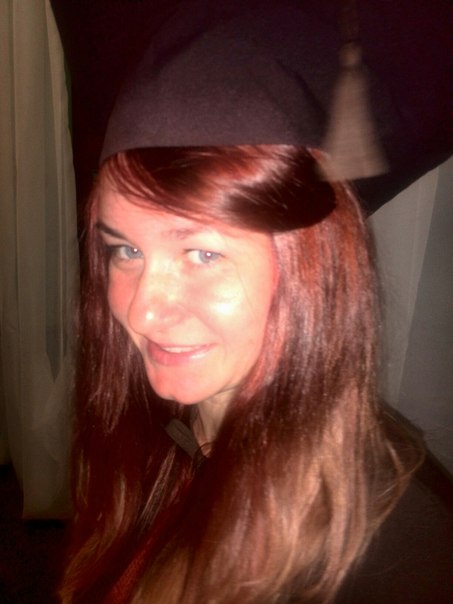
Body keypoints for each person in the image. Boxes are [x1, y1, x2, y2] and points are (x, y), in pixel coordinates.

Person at [59, 4, 452, 603]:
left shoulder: (398, 558)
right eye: (126, 251)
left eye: (203, 253)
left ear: (310, 270)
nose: (141, 312)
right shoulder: (159, 428)